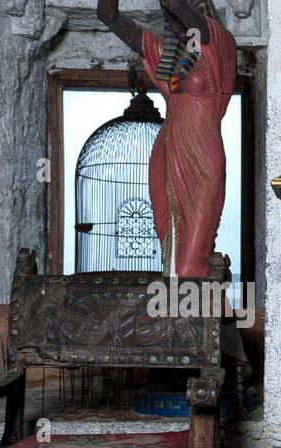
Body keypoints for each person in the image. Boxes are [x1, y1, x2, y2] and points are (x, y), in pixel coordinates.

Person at [97, 0, 237, 278]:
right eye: (167, 17)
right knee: (171, 258)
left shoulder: (218, 43)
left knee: (191, 261)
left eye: (176, 14)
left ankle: (200, 317)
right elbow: (107, 15)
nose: (172, 21)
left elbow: (180, 8)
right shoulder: (172, 57)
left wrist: (175, 6)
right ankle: (187, 316)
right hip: (166, 151)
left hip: (201, 157)